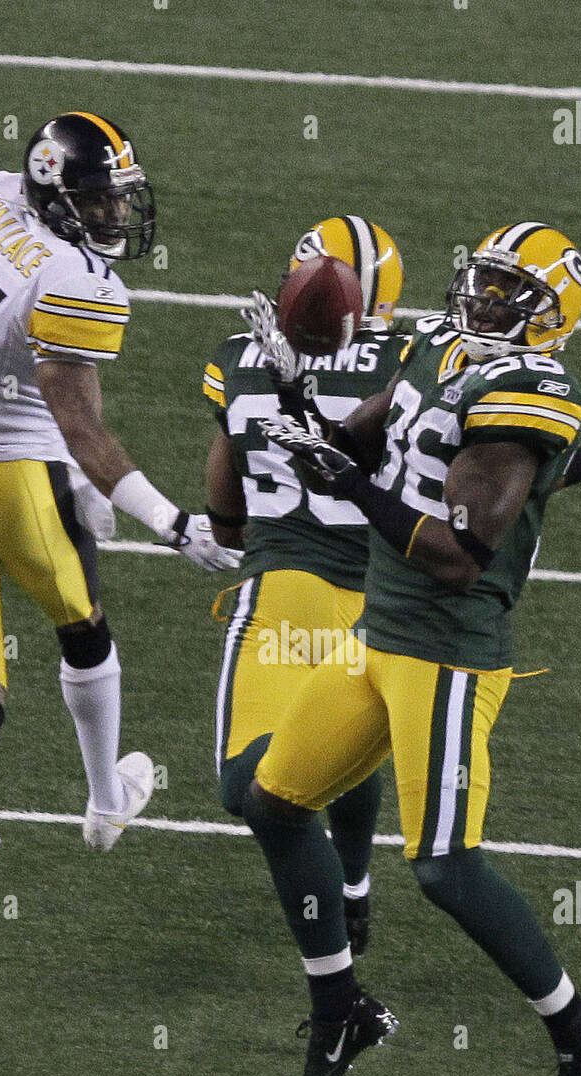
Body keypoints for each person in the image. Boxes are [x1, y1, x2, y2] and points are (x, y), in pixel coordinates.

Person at [241, 221, 581, 1076]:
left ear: (550, 317)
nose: (482, 297)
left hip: (445, 650)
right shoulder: (440, 345)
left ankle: (578, 1029)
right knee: (274, 801)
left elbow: (460, 557)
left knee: (441, 865)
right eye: (481, 277)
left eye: (508, 289)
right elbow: (353, 448)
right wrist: (290, 386)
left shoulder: (532, 389)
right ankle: (343, 1008)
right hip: (377, 634)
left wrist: (349, 488)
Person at [0, 111, 238, 897]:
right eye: (99, 199)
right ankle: (103, 804)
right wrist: (174, 526)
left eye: (120, 196)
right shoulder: (77, 282)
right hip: (15, 483)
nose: (117, 214)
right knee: (83, 632)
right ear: (57, 192)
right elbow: (82, 431)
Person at [204, 216, 407, 954]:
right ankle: (352, 883)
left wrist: (222, 530)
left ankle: (335, 973)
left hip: (287, 591)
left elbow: (224, 501)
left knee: (250, 787)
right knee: (339, 733)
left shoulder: (238, 356)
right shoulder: (418, 361)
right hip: (391, 599)